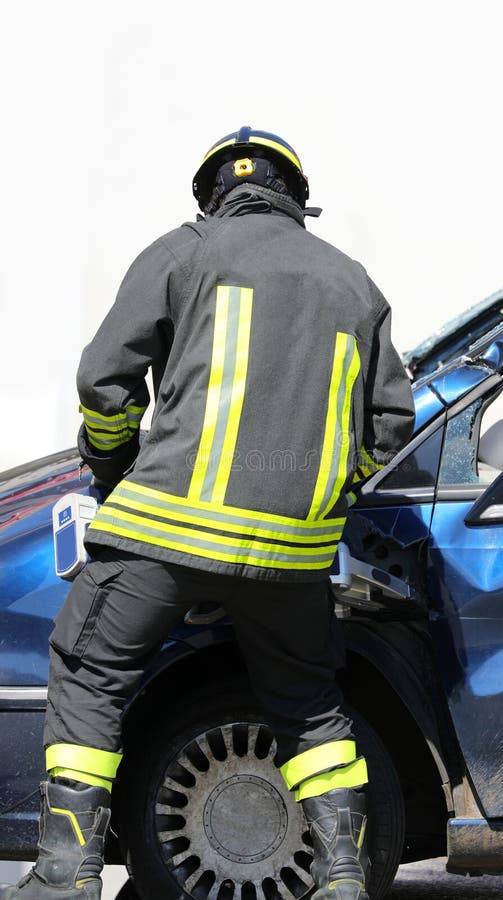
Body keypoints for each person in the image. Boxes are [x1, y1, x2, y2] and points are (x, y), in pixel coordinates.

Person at [0, 127, 414, 900]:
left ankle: (65, 871)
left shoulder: (182, 252)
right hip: (291, 555)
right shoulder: (353, 283)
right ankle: (342, 877)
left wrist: (114, 468)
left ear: (211, 195)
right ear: (297, 199)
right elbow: (389, 425)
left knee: (90, 672)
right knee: (311, 706)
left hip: (162, 533)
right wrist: (326, 494)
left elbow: (104, 385)